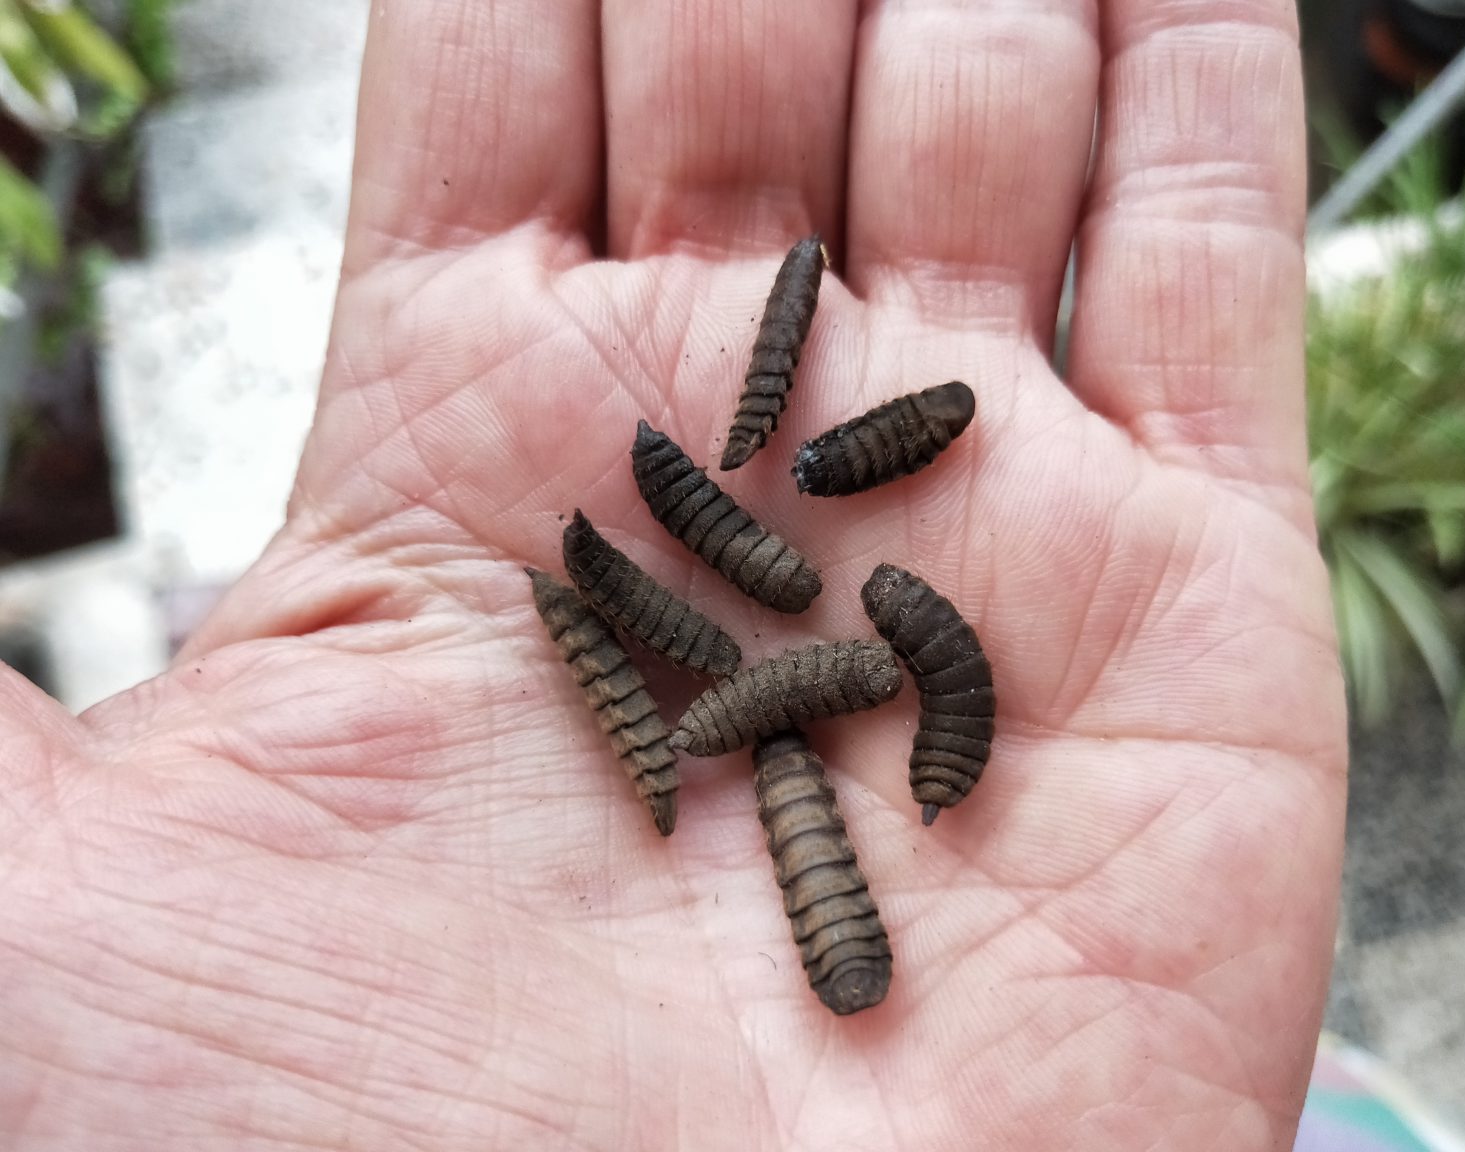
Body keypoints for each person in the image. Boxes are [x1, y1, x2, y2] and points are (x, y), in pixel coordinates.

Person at [0, 1, 1345, 1147]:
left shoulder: (797, 638)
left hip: (753, 637)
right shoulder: (762, 633)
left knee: (773, 633)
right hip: (744, 642)